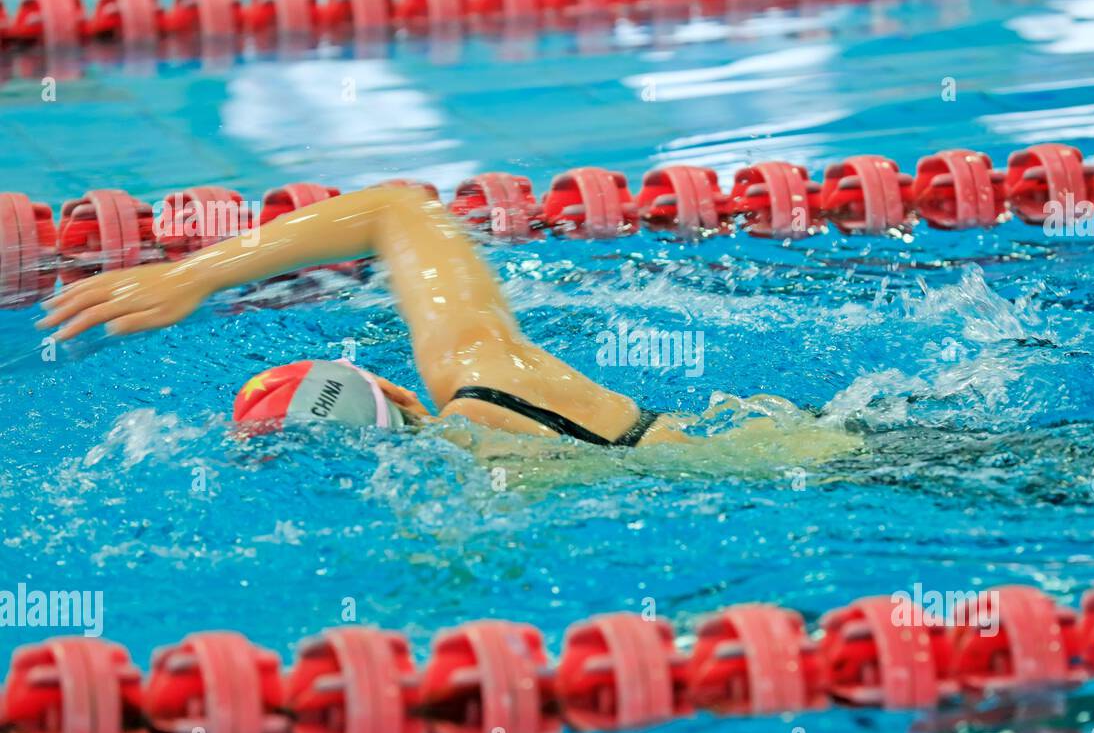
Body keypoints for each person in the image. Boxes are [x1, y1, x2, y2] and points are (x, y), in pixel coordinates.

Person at [38, 186, 701, 447]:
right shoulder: (494, 376)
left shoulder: (463, 517)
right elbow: (398, 209)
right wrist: (192, 275)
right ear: (391, 389)